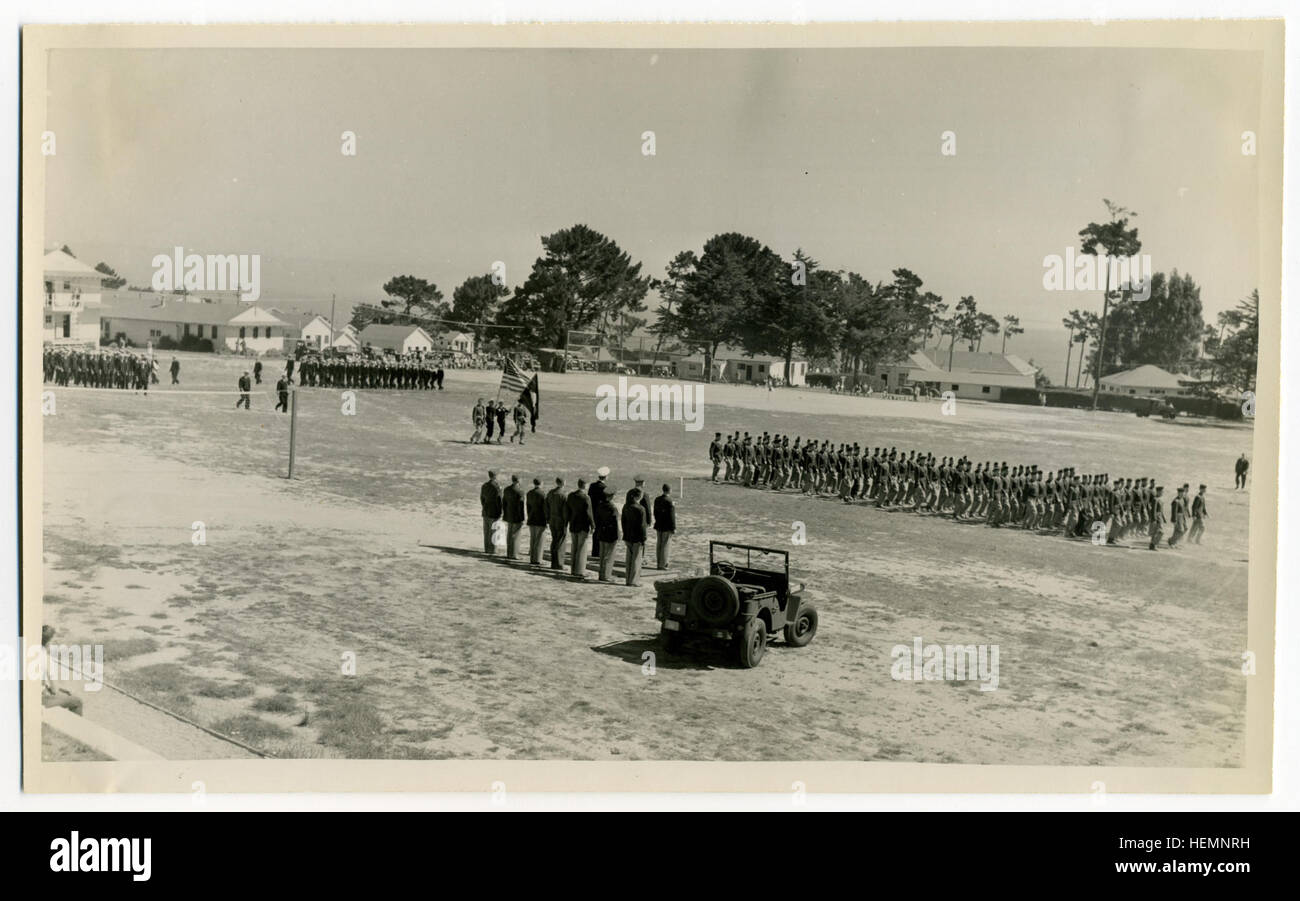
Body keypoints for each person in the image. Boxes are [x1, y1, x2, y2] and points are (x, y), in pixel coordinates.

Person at [566, 478, 594, 580]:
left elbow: (567, 510)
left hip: (573, 524)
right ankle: (580, 571)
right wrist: (593, 525)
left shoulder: (571, 496)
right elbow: (589, 513)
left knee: (574, 547)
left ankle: (573, 569)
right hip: (583, 525)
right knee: (582, 548)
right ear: (585, 486)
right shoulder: (586, 497)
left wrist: (568, 521)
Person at [621, 487, 649, 587]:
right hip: (637, 537)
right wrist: (644, 538)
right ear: (639, 496)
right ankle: (633, 581)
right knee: (636, 560)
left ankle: (628, 579)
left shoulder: (626, 506)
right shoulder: (641, 509)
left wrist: (624, 534)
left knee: (629, 559)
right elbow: (642, 526)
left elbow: (623, 522)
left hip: (628, 535)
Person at [593, 485, 620, 583]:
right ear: (612, 496)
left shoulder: (600, 506)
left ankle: (601, 574)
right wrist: (618, 535)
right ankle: (606, 576)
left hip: (601, 532)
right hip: (610, 534)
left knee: (602, 555)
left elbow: (597, 519)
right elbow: (616, 522)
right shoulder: (613, 508)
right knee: (609, 556)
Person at [546, 477, 569, 570]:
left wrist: (548, 518)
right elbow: (565, 511)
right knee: (560, 542)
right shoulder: (563, 495)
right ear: (564, 483)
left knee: (554, 540)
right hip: (560, 520)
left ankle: (553, 563)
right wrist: (566, 522)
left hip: (552, 519)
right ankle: (559, 564)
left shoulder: (550, 493)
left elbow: (546, 506)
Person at [503, 474, 526, 560]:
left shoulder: (506, 489)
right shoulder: (520, 491)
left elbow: (504, 503)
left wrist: (505, 514)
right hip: (516, 516)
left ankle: (509, 553)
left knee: (509, 534)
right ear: (518, 480)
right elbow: (521, 506)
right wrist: (522, 518)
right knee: (516, 536)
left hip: (509, 514)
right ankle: (514, 554)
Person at [480, 470, 503, 555]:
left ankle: (487, 549)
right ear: (496, 476)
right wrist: (500, 512)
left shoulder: (484, 486)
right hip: (494, 512)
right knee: (494, 531)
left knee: (486, 531)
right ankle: (493, 550)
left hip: (486, 511)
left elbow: (482, 499)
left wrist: (484, 507)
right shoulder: (497, 487)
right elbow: (499, 501)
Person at [653, 483, 676, 570]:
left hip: (659, 524)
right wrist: (673, 527)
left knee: (659, 544)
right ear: (670, 490)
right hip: (667, 526)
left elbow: (655, 512)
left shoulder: (657, 499)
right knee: (665, 545)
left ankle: (659, 562)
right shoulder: (670, 501)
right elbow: (672, 516)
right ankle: (663, 564)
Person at [526, 477, 548, 565]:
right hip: (540, 519)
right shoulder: (543, 494)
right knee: (539, 540)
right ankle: (537, 559)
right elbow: (545, 509)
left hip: (531, 518)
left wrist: (529, 516)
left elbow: (528, 507)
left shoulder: (529, 493)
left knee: (533, 539)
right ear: (541, 483)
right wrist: (547, 519)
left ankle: (532, 558)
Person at [1147, 486, 1166, 551]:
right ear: (1158, 492)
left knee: (1155, 533)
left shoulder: (1161, 499)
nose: (1162, 492)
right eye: (1161, 491)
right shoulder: (1155, 499)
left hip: (1160, 518)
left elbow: (1162, 510)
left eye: (1162, 491)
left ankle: (1151, 545)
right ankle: (1154, 544)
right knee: (1161, 532)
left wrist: (1164, 518)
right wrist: (1154, 519)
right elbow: (1153, 510)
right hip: (1156, 518)